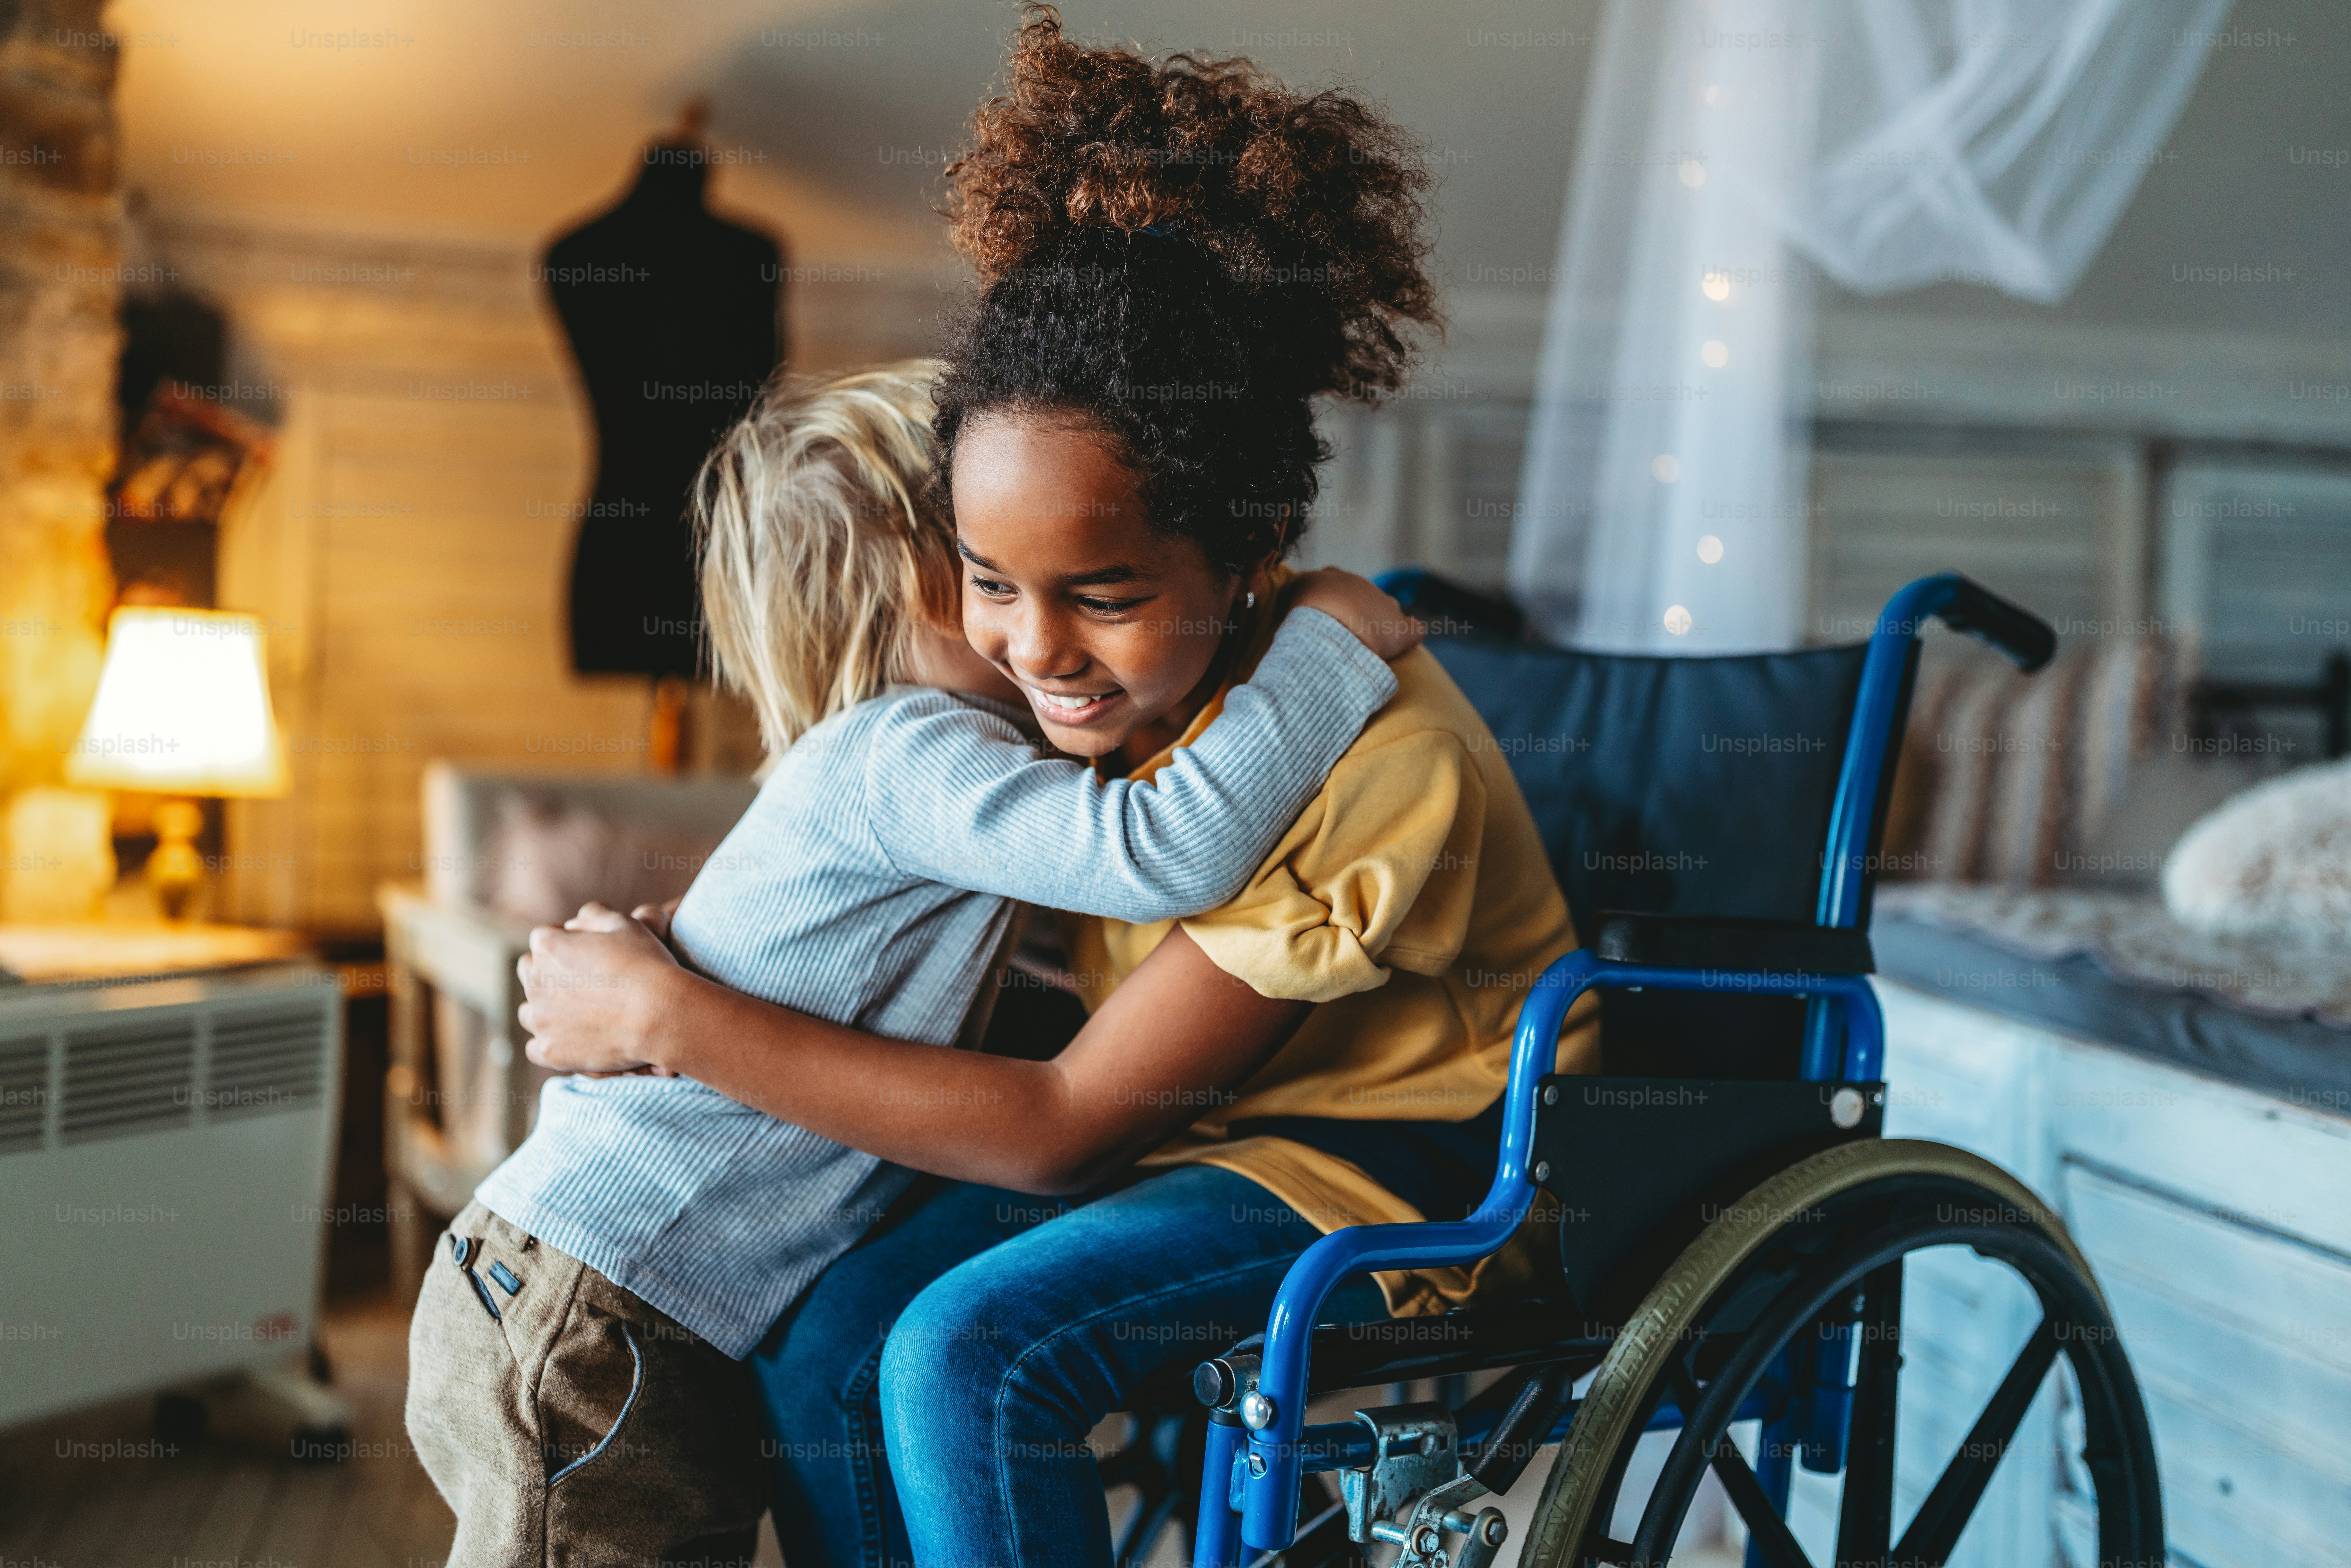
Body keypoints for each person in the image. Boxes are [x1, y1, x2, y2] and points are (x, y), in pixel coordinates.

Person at [518, 12, 1600, 1567]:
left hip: (1396, 1166)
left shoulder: (1380, 766)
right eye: (987, 583)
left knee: (973, 1354)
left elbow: (1057, 1131)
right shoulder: (1116, 716)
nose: (1036, 650)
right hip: (1198, 1125)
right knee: (827, 1345)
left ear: (1244, 557)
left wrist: (670, 1022)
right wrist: (683, 948)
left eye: (1101, 590)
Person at [405, 360, 1420, 1568]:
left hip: (609, 1296)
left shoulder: (891, 767)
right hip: (597, 1304)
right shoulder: (916, 752)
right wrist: (1331, 647)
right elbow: (1165, 853)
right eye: (987, 567)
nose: (1031, 608)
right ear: (905, 586)